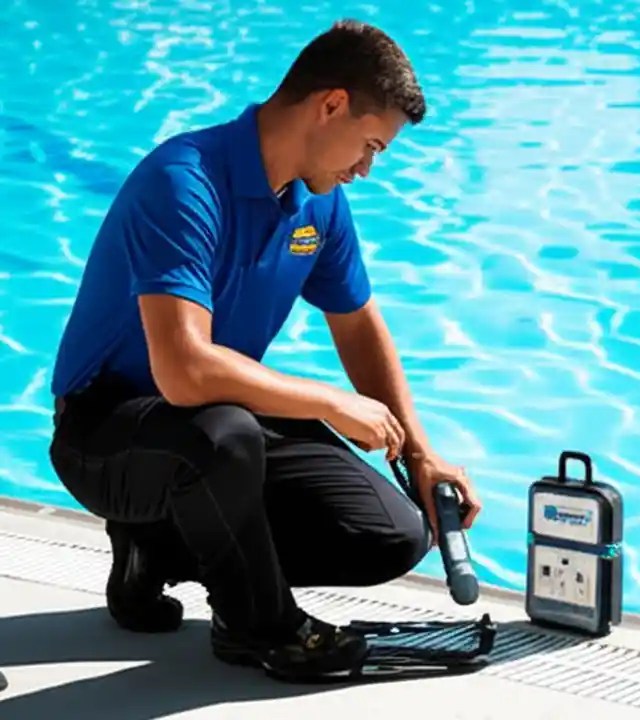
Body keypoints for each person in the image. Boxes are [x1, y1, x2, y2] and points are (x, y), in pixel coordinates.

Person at [45, 18, 482, 681]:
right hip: (107, 430)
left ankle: (153, 551)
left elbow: (359, 325)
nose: (366, 169)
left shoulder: (320, 203)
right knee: (223, 435)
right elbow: (186, 371)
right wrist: (332, 403)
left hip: (219, 419)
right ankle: (262, 625)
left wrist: (420, 454)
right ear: (330, 104)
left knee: (390, 533)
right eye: (369, 146)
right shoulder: (184, 181)